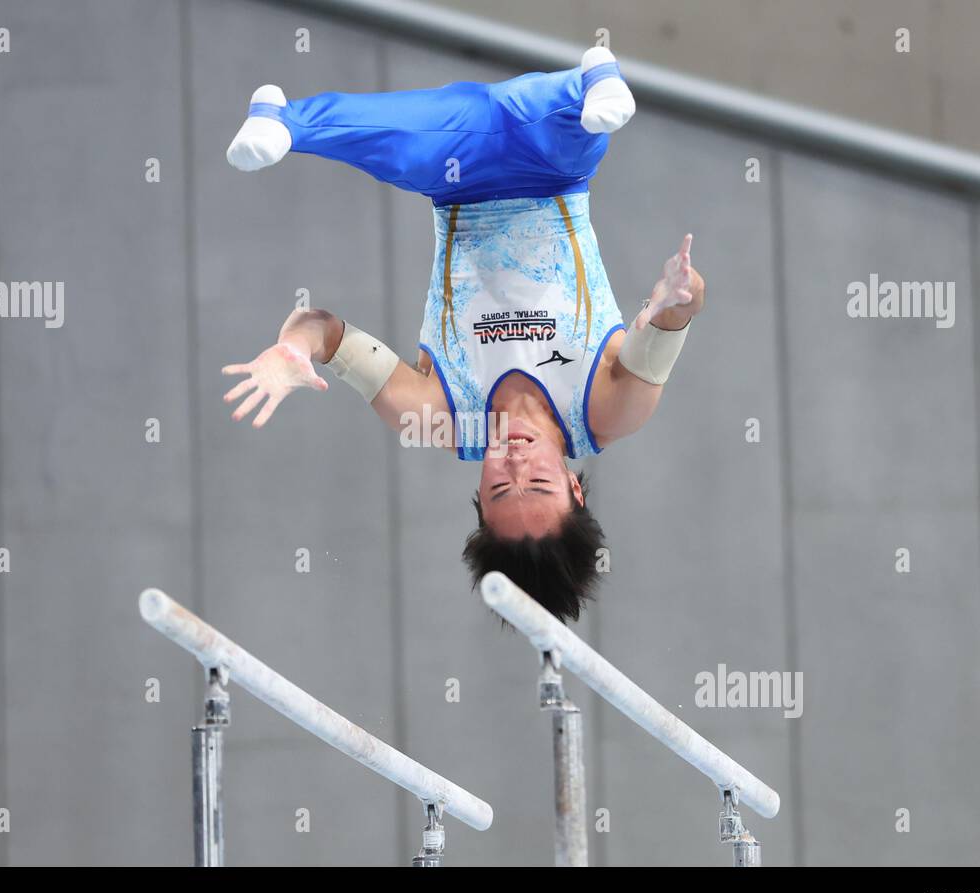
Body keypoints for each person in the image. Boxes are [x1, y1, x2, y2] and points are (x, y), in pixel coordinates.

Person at [222, 48, 705, 621]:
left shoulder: (433, 416)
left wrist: (291, 348)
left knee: (394, 144)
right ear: (576, 489)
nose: (517, 467)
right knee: (568, 129)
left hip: (455, 177)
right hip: (553, 172)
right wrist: (679, 295)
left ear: (479, 500)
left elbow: (325, 332)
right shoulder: (608, 410)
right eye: (541, 485)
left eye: (501, 491)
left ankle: (281, 119)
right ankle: (595, 76)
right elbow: (673, 317)